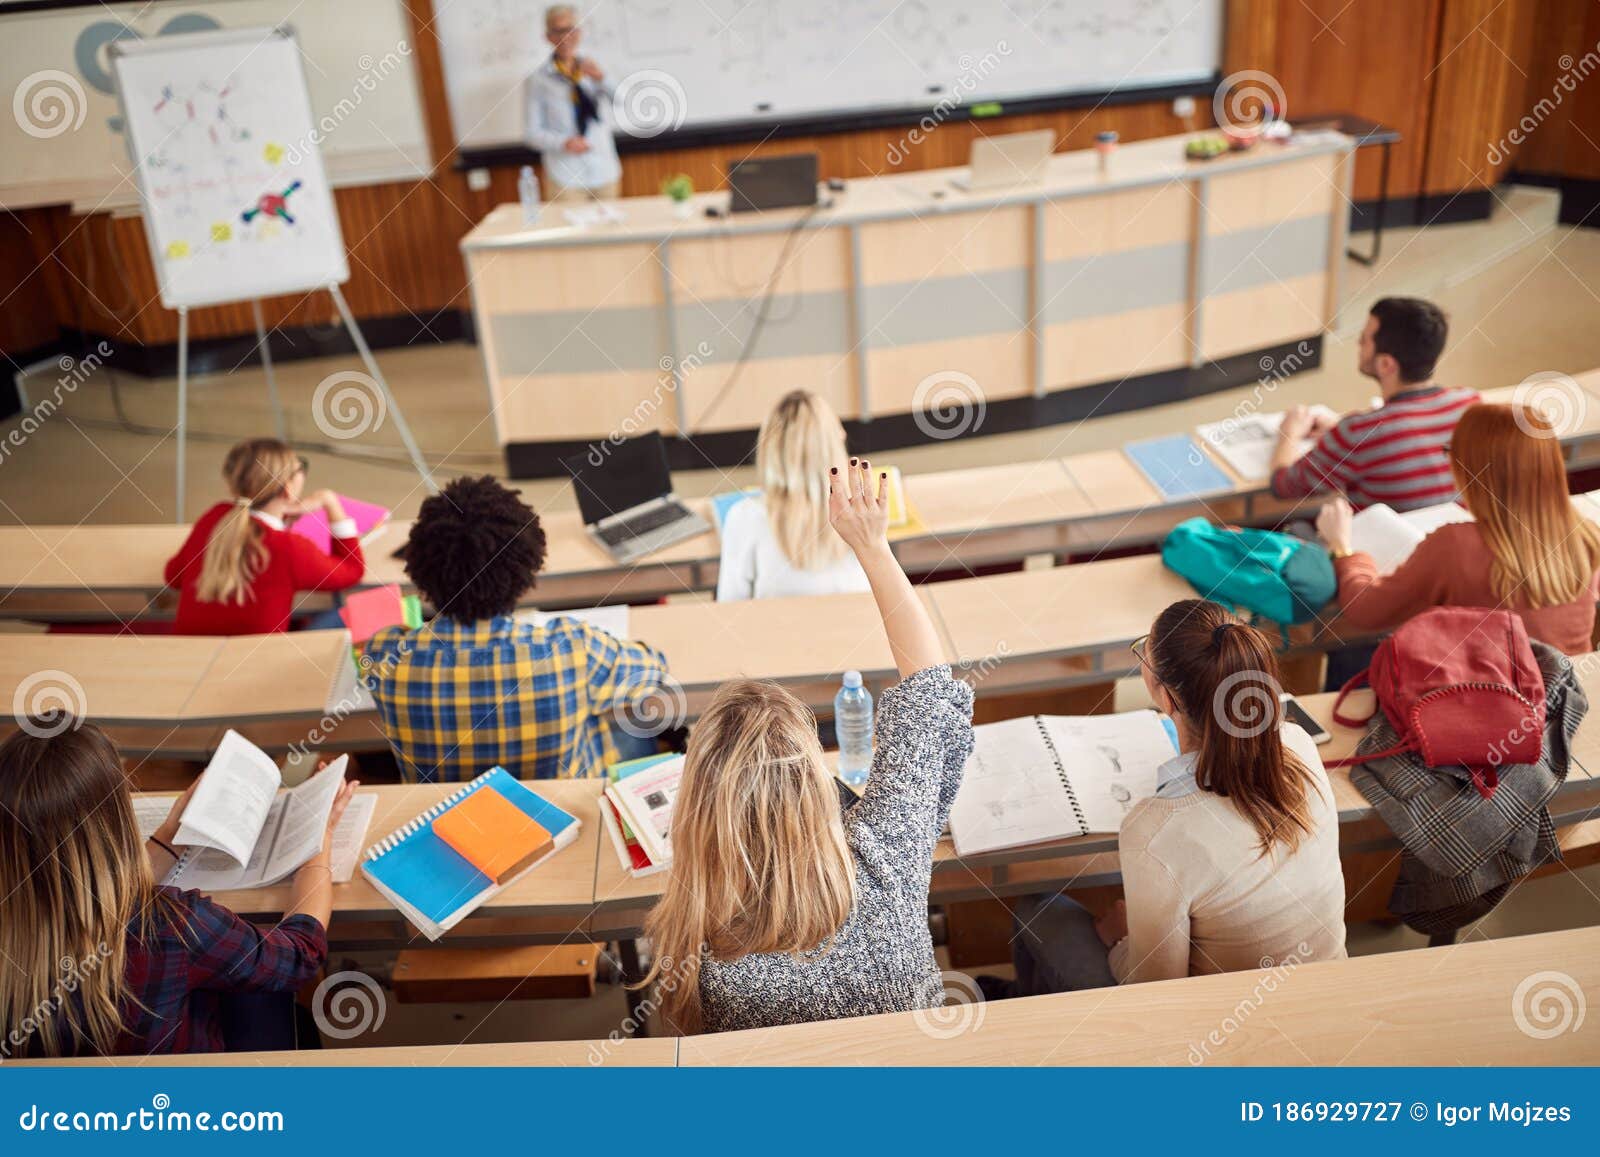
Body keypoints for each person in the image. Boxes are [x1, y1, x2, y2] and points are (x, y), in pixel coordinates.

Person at [640, 458, 974, 1034]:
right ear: (814, 782)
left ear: (700, 809)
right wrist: (872, 547)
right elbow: (928, 687)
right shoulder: (886, 860)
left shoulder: (700, 949)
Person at [1003, 600, 1345, 994]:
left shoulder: (1157, 831)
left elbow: (1155, 987)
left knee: (1037, 908)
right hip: (1326, 985)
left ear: (1165, 697)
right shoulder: (1298, 744)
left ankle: (1027, 1015)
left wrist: (1118, 938)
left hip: (1217, 1025)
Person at [0, 721, 356, 1057]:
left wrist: (171, 833)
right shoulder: (174, 926)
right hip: (187, 1106)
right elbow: (300, 955)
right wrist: (316, 843)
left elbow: (72, 874)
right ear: (115, 818)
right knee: (263, 994)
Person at [362, 475, 668, 781]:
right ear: (526, 568)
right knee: (632, 725)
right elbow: (652, 669)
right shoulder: (572, 647)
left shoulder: (384, 656)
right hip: (558, 812)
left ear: (419, 568)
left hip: (443, 816)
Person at [1317, 403, 1600, 656]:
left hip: (1487, 701)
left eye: (1451, 452)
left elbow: (1365, 611)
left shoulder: (1455, 545)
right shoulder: (1587, 536)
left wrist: (1343, 549)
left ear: (1473, 469)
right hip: (1566, 700)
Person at [1270, 297, 1478, 512]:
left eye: (1364, 339)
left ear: (1386, 364)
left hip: (1379, 545)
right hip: (1451, 539)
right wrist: (1338, 433)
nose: (1358, 344)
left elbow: (1285, 486)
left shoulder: (1357, 433)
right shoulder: (1471, 405)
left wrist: (1289, 434)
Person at [164, 438, 364, 635]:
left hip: (192, 658)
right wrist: (331, 503)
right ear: (287, 489)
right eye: (300, 468)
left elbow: (173, 577)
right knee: (354, 608)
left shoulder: (215, 516)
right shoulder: (290, 547)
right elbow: (352, 569)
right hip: (265, 662)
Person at [717, 391, 870, 602]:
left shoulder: (744, 516)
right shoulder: (863, 509)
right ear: (836, 441)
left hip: (776, 632)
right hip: (859, 631)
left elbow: (729, 604)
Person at [524, 5, 620, 202]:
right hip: (566, 177)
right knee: (572, 232)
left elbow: (623, 100)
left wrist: (602, 78)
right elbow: (531, 134)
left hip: (604, 171)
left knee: (609, 231)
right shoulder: (538, 80)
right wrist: (563, 143)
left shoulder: (594, 68)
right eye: (557, 31)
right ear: (548, 37)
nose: (565, 37)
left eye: (569, 29)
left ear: (578, 33)